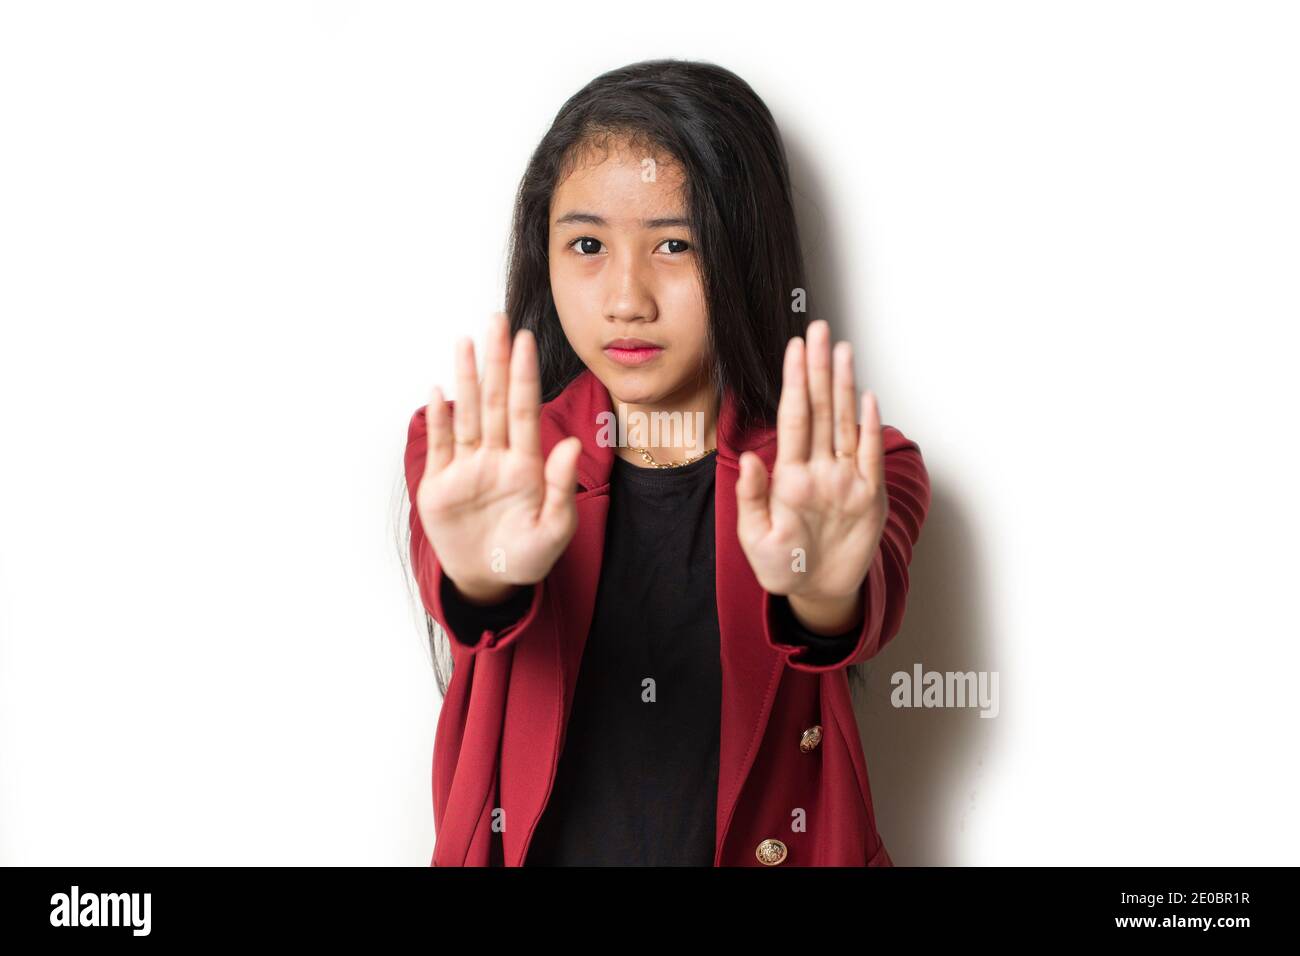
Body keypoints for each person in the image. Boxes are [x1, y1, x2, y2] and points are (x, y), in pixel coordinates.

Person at [399, 58, 930, 866]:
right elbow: (465, 586)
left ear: (743, 253)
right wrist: (485, 574)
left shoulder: (850, 469)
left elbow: (856, 608)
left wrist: (819, 590)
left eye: (674, 245)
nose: (626, 297)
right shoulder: (478, 456)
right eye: (586, 244)